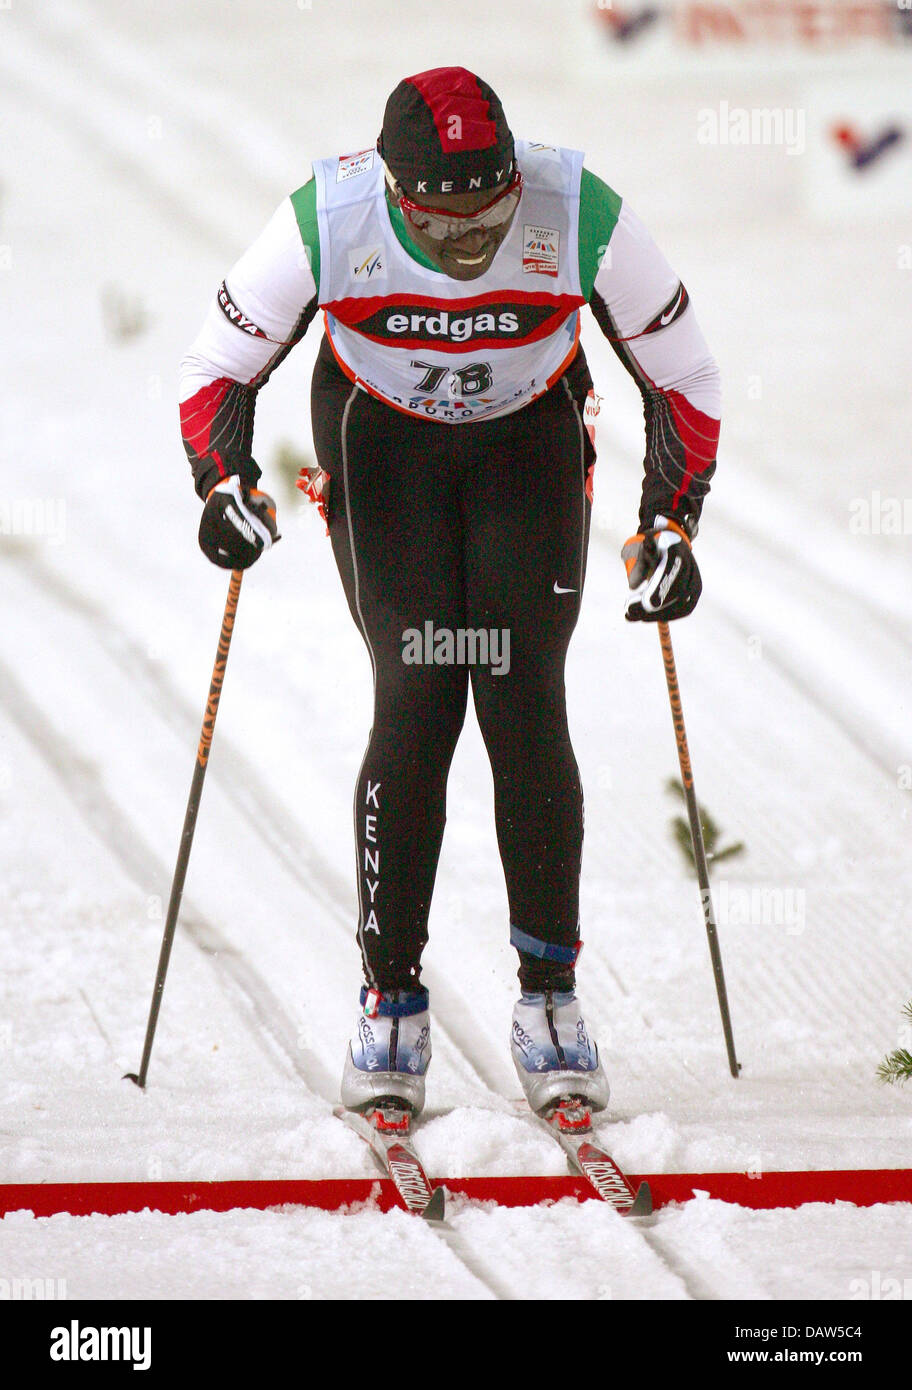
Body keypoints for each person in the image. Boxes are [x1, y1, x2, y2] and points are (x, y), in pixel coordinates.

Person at [180, 67, 720, 1119]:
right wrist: (224, 487)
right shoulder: (325, 220)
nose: (473, 234)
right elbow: (215, 369)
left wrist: (670, 522)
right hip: (386, 452)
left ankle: (551, 997)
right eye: (444, 212)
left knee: (522, 700)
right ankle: (392, 1000)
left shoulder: (579, 210)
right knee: (420, 699)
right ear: (392, 188)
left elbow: (686, 377)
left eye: (492, 204)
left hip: (525, 448)